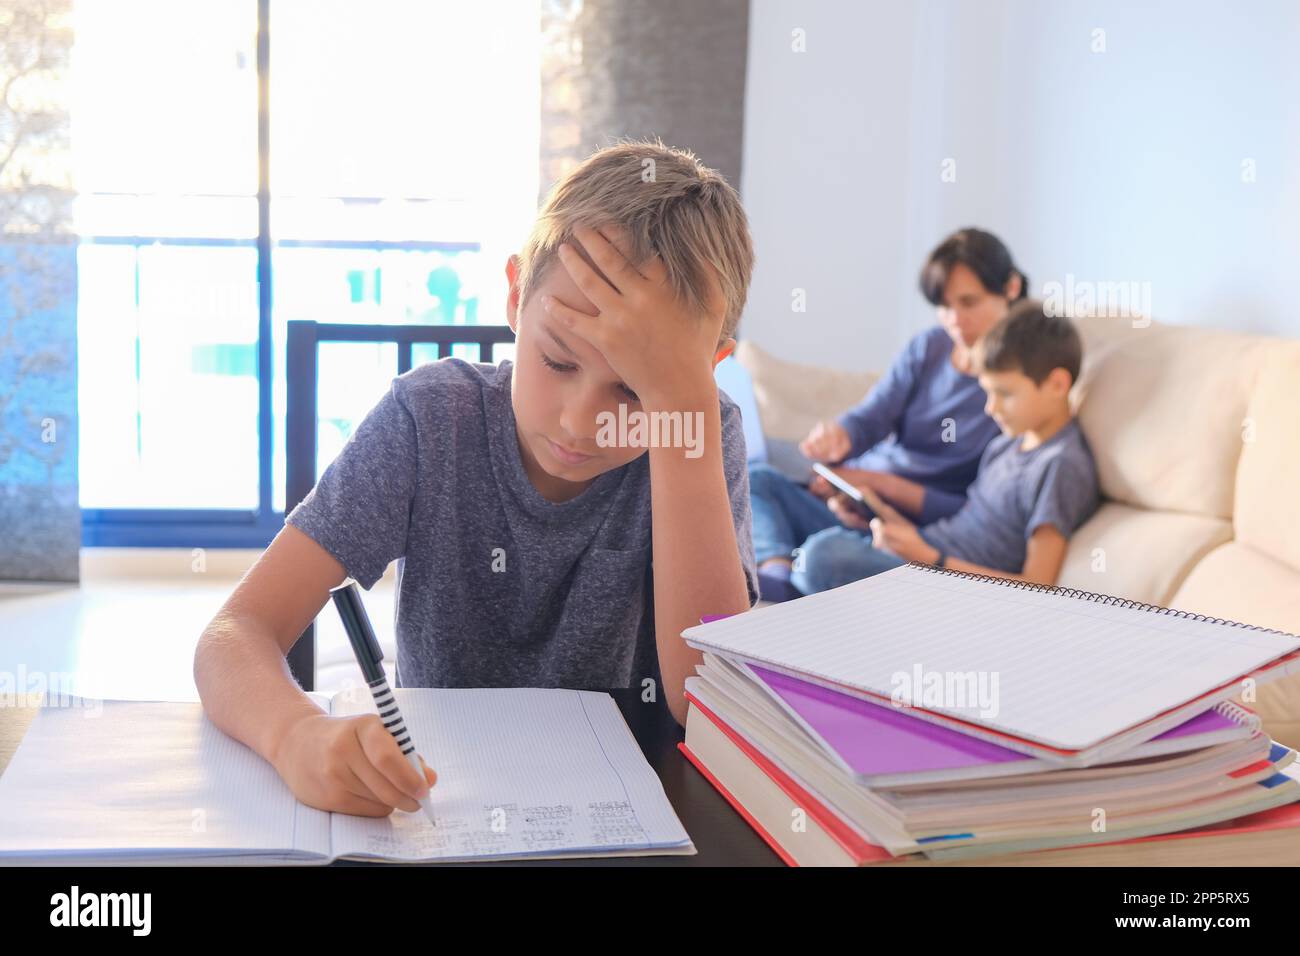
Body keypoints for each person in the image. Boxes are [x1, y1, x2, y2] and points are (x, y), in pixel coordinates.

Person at [193, 140, 760, 817]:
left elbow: (711, 705)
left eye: (635, 393)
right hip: (440, 809)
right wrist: (295, 734)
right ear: (517, 297)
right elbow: (233, 636)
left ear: (709, 370)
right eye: (556, 362)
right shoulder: (432, 419)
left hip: (633, 822)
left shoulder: (701, 431)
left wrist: (684, 410)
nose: (582, 424)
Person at [752, 228, 1028, 602]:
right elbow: (870, 417)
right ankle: (777, 573)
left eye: (969, 302)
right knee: (758, 479)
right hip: (857, 502)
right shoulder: (930, 347)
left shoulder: (1016, 391)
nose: (955, 320)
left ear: (1010, 289)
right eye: (945, 306)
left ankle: (789, 575)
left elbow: (975, 511)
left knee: (825, 556)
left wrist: (878, 485)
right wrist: (840, 438)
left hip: (901, 531)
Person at [798, 299, 1101, 592]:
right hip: (924, 552)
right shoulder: (1006, 445)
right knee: (772, 487)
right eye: (987, 393)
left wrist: (931, 559)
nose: (991, 409)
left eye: (1004, 394)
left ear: (1057, 385)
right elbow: (965, 525)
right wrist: (887, 519)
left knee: (824, 555)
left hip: (947, 583)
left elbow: (1038, 586)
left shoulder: (1060, 465)